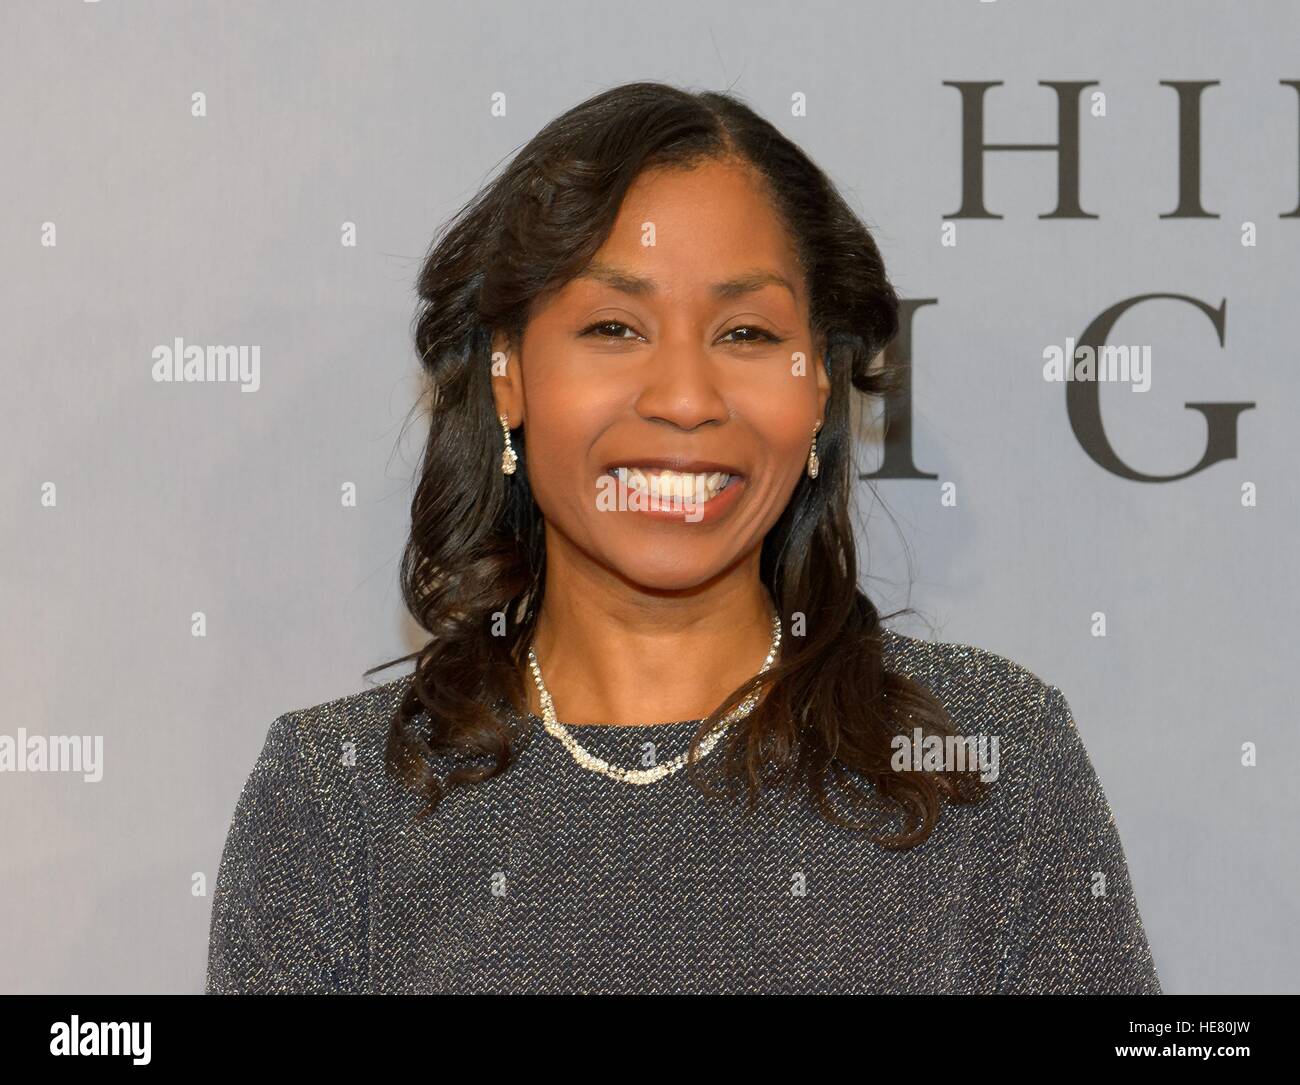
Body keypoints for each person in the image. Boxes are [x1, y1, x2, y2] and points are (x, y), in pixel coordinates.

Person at [205, 81, 1161, 994]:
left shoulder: (987, 761)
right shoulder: (336, 806)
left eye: (745, 333)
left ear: (820, 379)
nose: (686, 400)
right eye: (615, 326)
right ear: (508, 372)